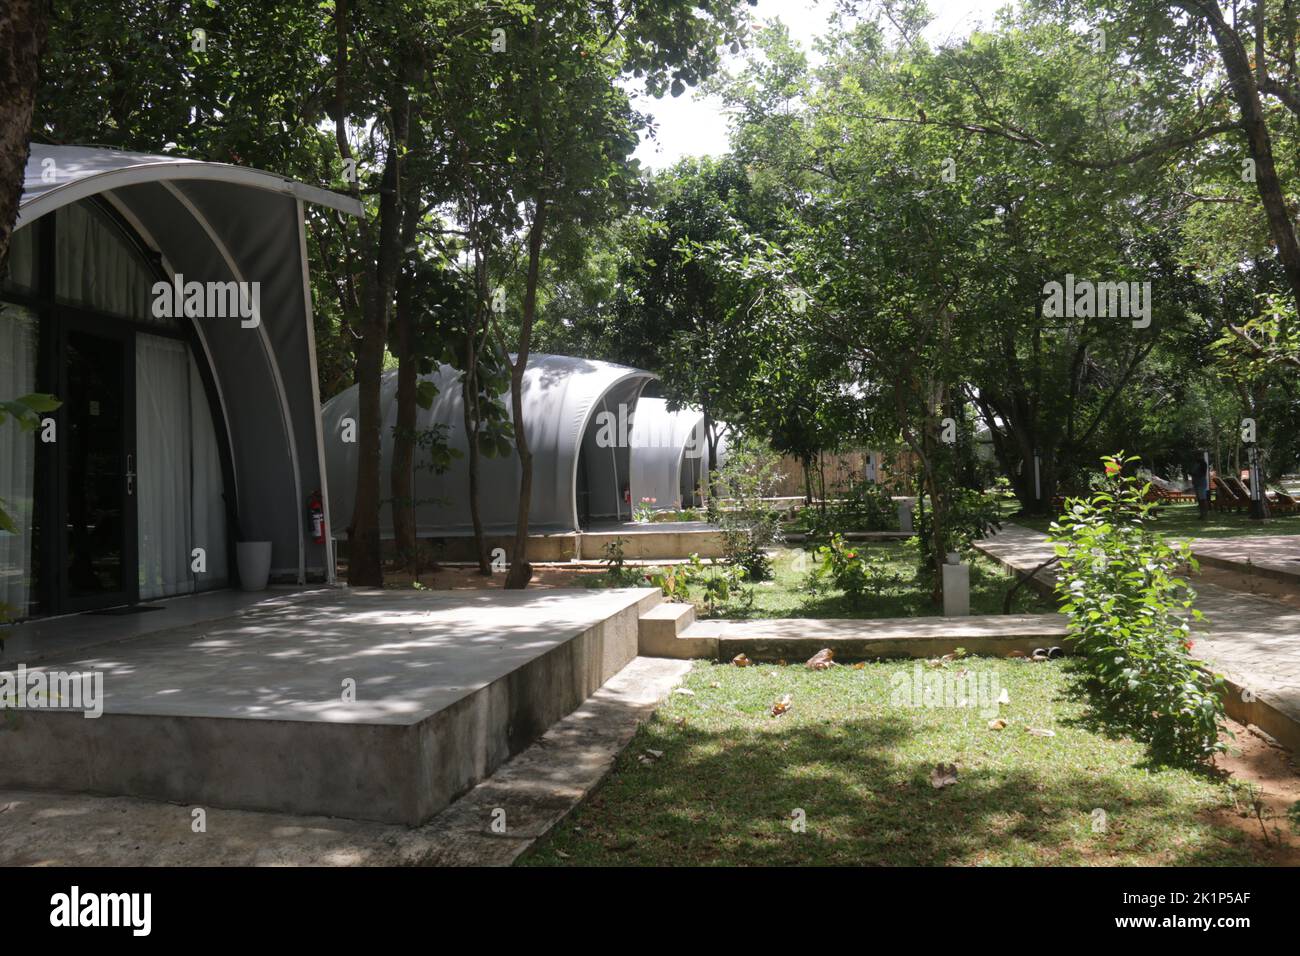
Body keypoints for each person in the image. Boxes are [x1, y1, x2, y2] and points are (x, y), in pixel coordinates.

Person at [1192, 455, 1210, 520]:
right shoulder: (1195, 464)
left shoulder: (1203, 464)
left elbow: (1202, 473)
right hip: (1196, 483)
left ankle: (1205, 513)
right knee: (1199, 500)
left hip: (1201, 483)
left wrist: (1194, 474)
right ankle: (1201, 514)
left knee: (1203, 499)